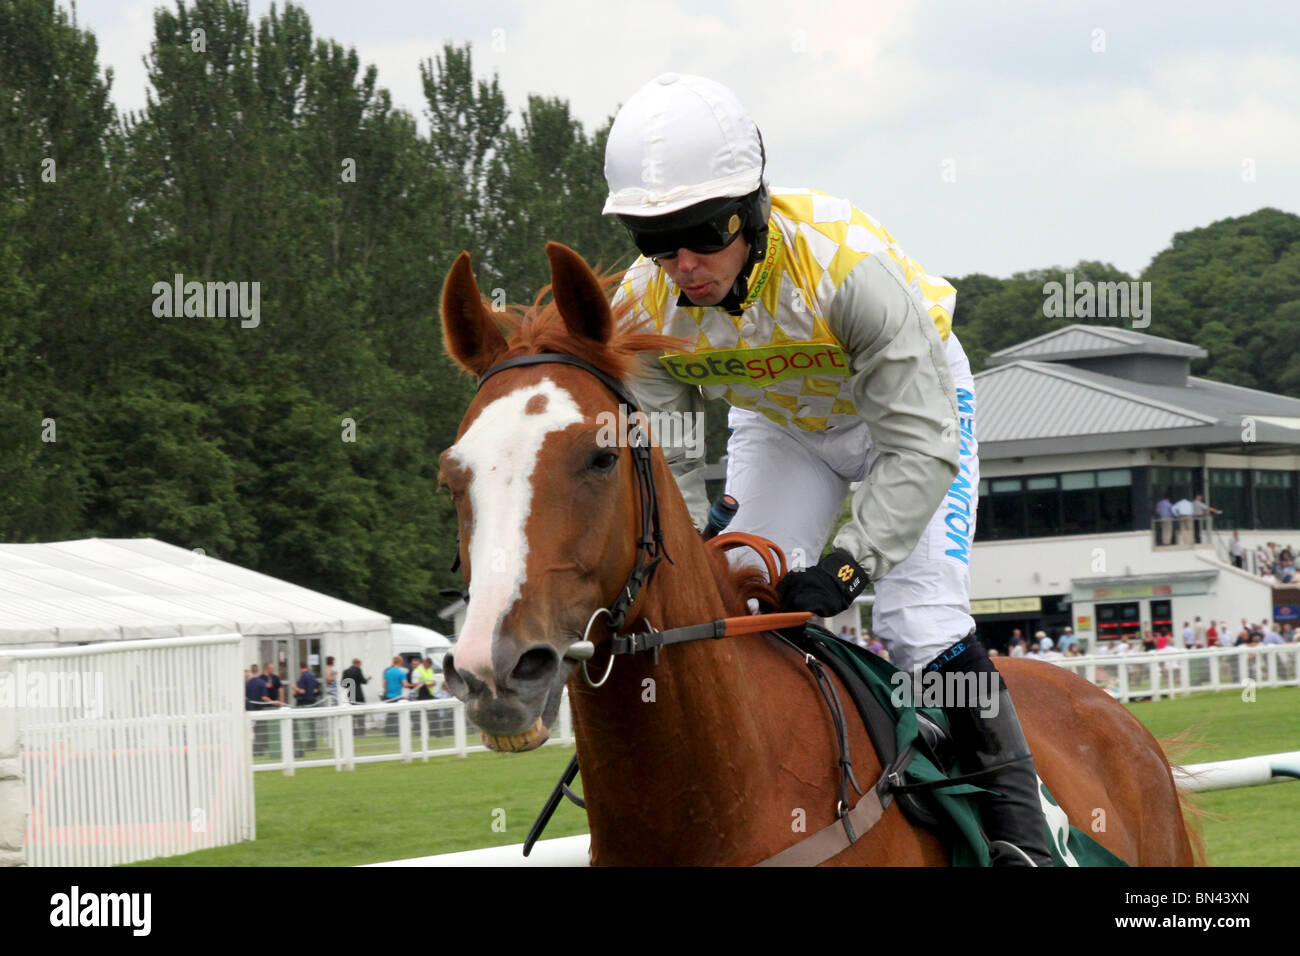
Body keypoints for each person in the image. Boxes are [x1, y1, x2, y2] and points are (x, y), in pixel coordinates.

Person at [603, 73, 1048, 866]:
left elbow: (920, 448)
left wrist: (850, 566)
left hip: (909, 420)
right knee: (737, 585)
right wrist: (696, 527)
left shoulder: (848, 269)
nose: (682, 265)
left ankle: (1026, 839)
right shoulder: (645, 306)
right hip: (784, 429)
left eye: (702, 234)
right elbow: (663, 445)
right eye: (653, 243)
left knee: (919, 624)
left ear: (750, 210)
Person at [342, 658, 369, 735]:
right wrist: (367, 679)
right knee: (361, 713)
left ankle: (352, 731)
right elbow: (363, 681)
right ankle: (361, 731)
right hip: (358, 694)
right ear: (358, 664)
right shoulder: (358, 670)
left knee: (352, 713)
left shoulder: (346, 671)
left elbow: (343, 684)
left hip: (351, 694)